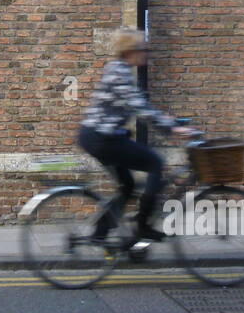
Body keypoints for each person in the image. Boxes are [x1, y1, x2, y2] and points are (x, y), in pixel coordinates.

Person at [77, 28, 197, 243]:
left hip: (101, 137)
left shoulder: (120, 69)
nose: (146, 53)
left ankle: (100, 233)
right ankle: (143, 226)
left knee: (129, 187)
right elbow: (139, 107)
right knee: (155, 163)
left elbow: (139, 106)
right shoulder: (119, 72)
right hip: (103, 139)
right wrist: (171, 128)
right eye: (144, 49)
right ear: (130, 51)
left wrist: (169, 122)